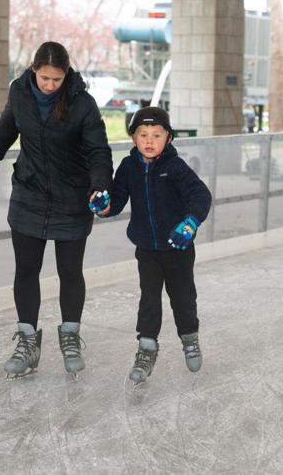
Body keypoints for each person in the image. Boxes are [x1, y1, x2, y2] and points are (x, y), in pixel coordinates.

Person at [0, 42, 113, 379]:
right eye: (45, 78)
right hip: (29, 193)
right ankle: (27, 342)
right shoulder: (20, 92)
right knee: (26, 269)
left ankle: (69, 335)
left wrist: (100, 185)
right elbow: (8, 125)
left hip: (71, 198)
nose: (50, 85)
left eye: (57, 79)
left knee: (70, 272)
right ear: (34, 70)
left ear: (66, 74)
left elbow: (99, 150)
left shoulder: (82, 104)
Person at [95, 106, 212, 384]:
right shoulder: (128, 167)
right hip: (147, 249)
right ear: (133, 138)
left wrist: (190, 223)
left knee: (183, 298)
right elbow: (117, 201)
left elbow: (201, 196)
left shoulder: (175, 167)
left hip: (178, 249)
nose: (149, 141)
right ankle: (147, 348)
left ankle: (189, 337)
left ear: (168, 139)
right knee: (149, 299)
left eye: (156, 135)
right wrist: (103, 206)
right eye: (143, 134)